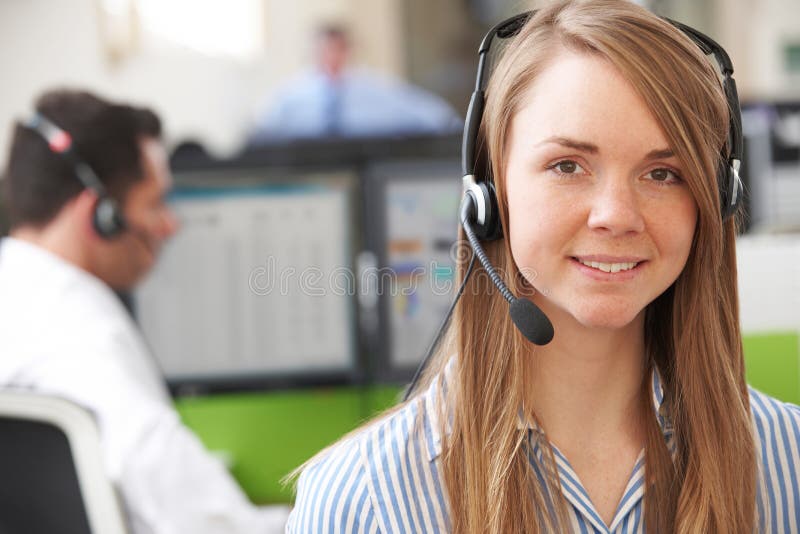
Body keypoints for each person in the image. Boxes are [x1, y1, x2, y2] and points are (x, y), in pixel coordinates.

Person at [285, 1, 800, 532]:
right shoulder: (367, 499)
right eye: (568, 166)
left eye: (663, 173)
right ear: (488, 192)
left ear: (715, 198)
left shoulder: (788, 466)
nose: (616, 216)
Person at [0, 89, 288, 533]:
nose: (170, 225)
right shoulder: (79, 330)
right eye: (155, 204)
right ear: (101, 217)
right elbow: (203, 522)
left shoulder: (17, 288)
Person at [249, 24, 462, 143]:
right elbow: (260, 132)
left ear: (349, 50)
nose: (332, 56)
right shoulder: (291, 96)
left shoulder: (378, 89)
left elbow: (437, 116)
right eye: (325, 49)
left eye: (338, 48)